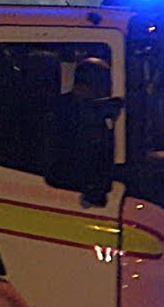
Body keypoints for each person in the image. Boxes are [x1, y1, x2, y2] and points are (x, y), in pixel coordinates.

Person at [45, 57, 119, 207]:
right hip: (69, 193)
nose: (108, 89)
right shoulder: (66, 112)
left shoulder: (80, 108)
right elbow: (89, 150)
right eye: (105, 83)